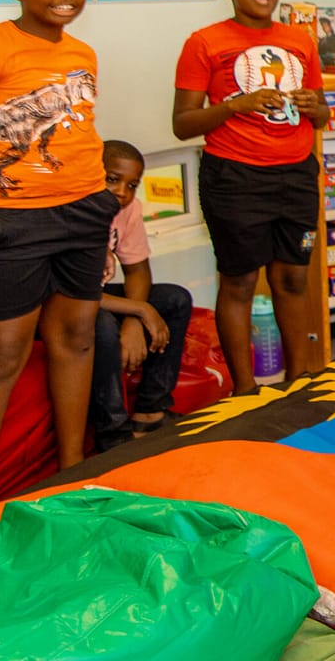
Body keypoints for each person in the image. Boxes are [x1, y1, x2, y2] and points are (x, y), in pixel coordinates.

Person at [0, 0, 115, 515]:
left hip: (81, 208)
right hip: (7, 216)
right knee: (0, 353)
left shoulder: (83, 53)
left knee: (76, 337)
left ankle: (73, 472)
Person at [171, 0, 327, 394]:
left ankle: (299, 381)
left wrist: (320, 108)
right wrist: (235, 105)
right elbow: (182, 124)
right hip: (235, 178)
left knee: (293, 277)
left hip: (295, 174)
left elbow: (319, 116)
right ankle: (245, 390)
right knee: (239, 282)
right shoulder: (204, 42)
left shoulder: (300, 40)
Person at [88, 139, 192, 452]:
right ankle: (113, 435)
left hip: (96, 293)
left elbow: (137, 270)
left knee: (175, 299)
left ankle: (151, 411)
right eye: (112, 179)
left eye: (132, 185)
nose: (122, 191)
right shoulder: (76, 207)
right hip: (62, 302)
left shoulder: (128, 208)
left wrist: (135, 318)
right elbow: (74, 294)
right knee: (103, 325)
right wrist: (141, 311)